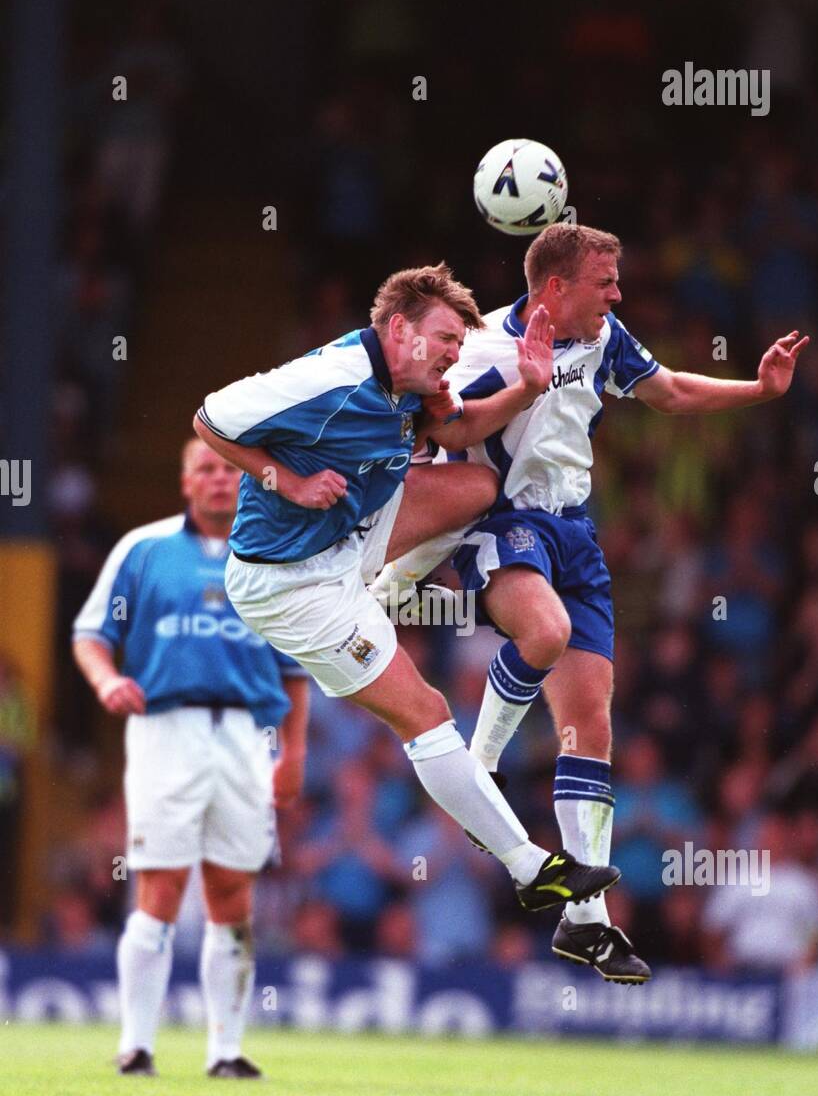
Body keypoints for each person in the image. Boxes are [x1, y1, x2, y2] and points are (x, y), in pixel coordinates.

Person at [373, 223, 809, 984]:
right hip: (503, 520)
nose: (616, 293)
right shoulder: (481, 352)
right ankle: (480, 764)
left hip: (574, 529)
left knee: (590, 726)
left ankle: (585, 926)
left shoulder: (603, 336)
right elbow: (445, 429)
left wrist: (760, 389)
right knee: (544, 631)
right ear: (555, 288)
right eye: (604, 281)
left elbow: (668, 390)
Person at [192, 262, 621, 941]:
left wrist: (526, 388)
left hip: (350, 539)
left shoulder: (414, 384)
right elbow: (211, 416)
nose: (454, 354)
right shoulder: (327, 380)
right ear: (397, 328)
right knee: (426, 712)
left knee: (477, 486)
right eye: (446, 339)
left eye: (458, 342)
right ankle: (530, 866)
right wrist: (288, 481)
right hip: (291, 585)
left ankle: (388, 592)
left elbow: (454, 433)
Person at [73, 439, 310, 1078]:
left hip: (246, 734)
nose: (218, 480)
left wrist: (293, 755)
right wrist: (105, 683)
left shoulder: (276, 553)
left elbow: (295, 671)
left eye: (230, 470)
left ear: (248, 482)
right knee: (160, 884)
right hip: (165, 727)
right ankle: (136, 1043)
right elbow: (92, 636)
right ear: (185, 482)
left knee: (233, 889)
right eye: (205, 469)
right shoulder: (143, 549)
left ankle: (225, 1050)